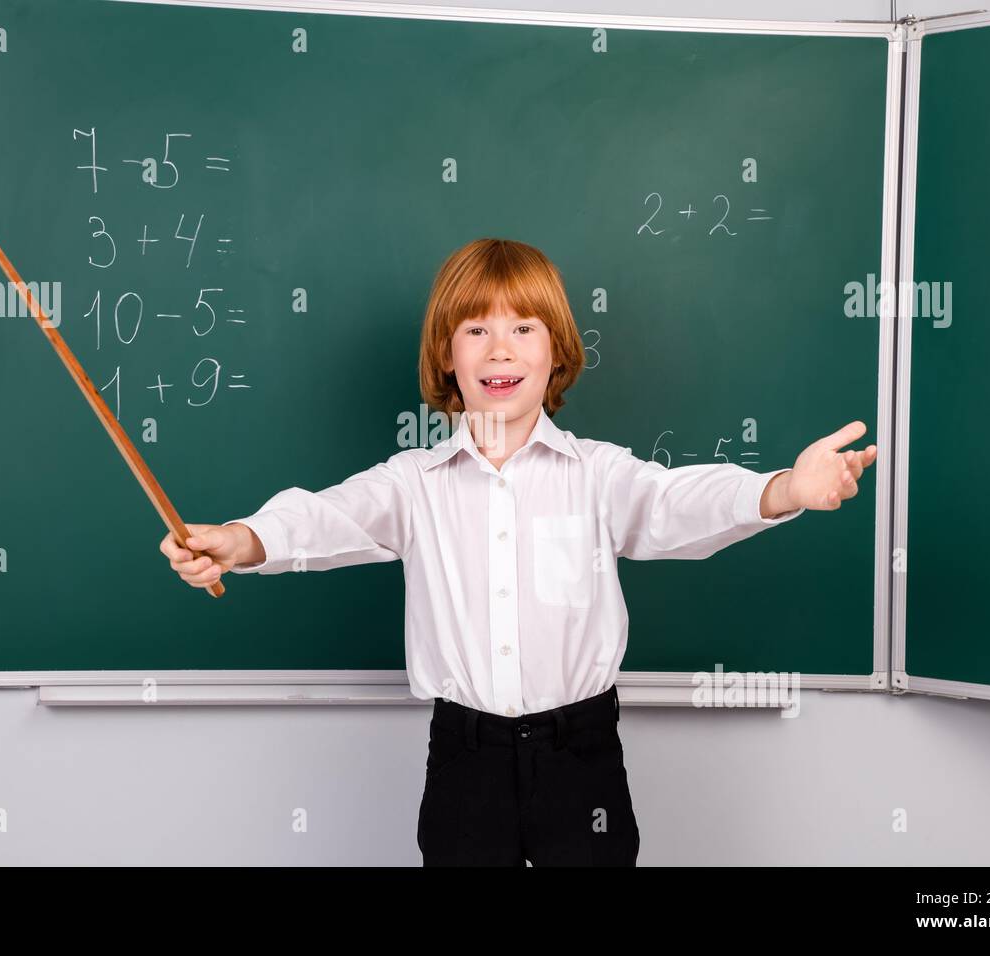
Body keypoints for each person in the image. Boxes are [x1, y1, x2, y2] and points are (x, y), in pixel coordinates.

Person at [160, 238, 876, 865]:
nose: (500, 348)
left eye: (522, 327)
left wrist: (782, 488)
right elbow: (322, 518)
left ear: (556, 351)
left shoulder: (598, 473)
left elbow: (674, 503)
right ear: (447, 355)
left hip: (581, 754)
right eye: (475, 329)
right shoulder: (414, 483)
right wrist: (242, 540)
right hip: (464, 761)